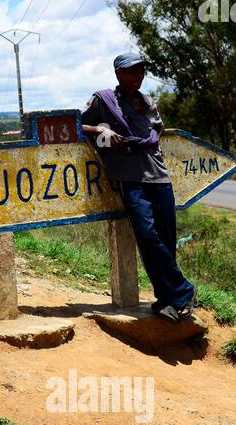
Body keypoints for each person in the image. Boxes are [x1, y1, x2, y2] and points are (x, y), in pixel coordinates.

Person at [80, 52, 196, 322]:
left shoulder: (148, 102)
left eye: (142, 71)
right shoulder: (104, 101)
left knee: (166, 243)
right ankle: (184, 291)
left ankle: (167, 301)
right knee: (147, 237)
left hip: (160, 178)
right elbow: (76, 124)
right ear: (119, 73)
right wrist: (101, 131)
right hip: (131, 180)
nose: (138, 76)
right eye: (133, 71)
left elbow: (158, 129)